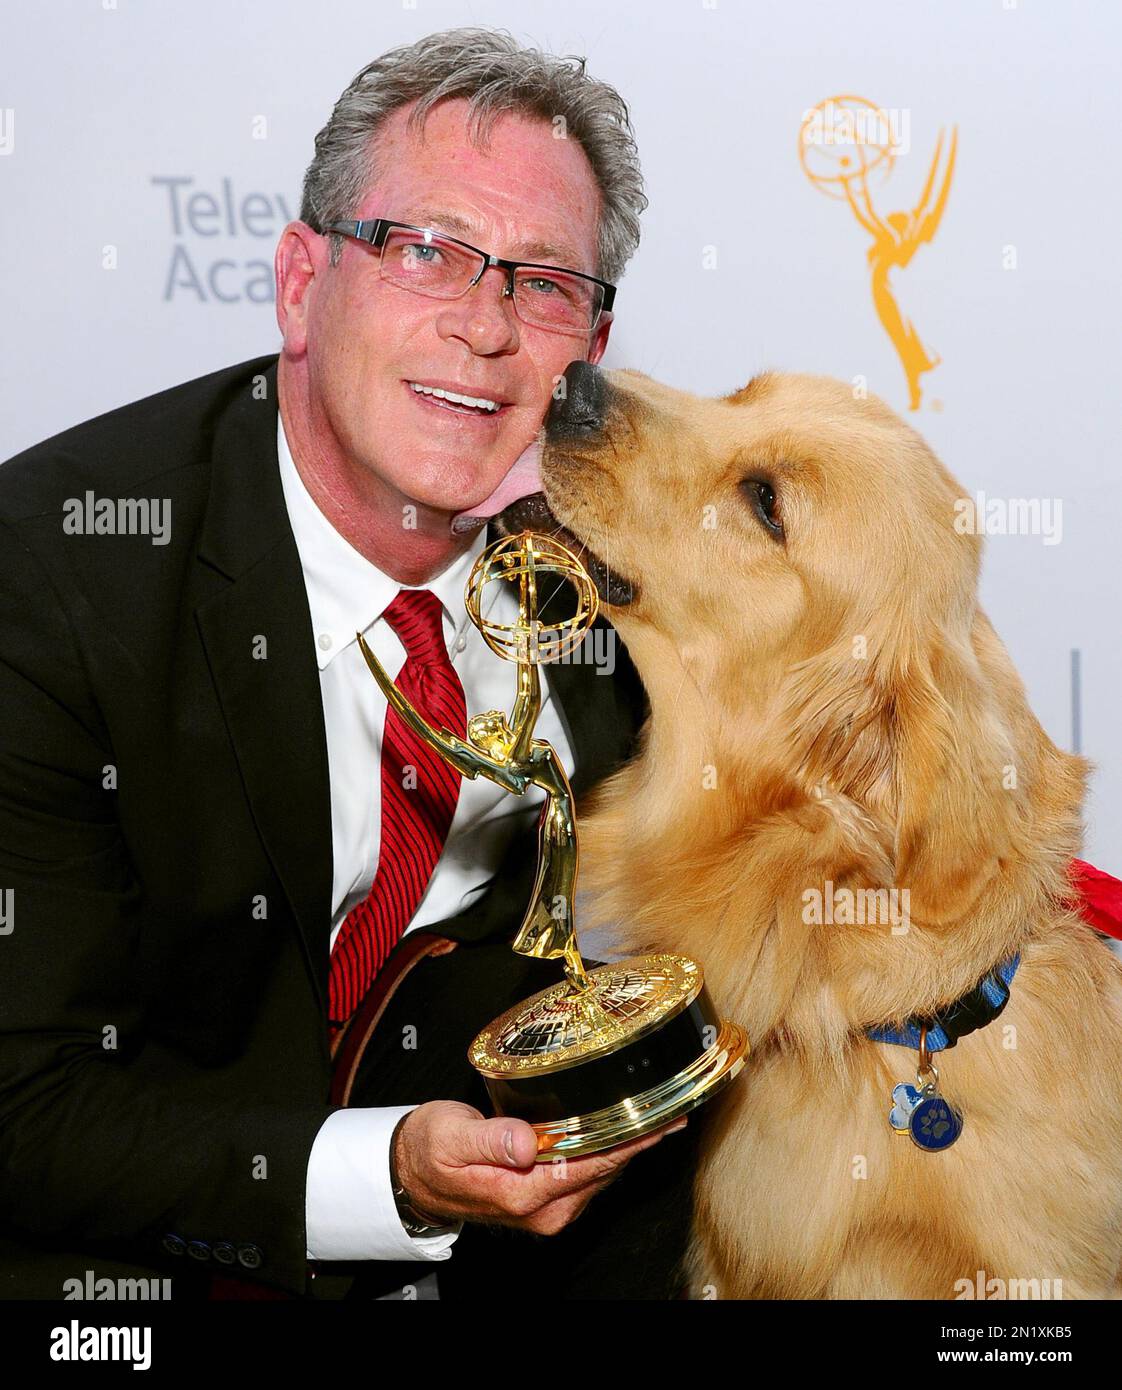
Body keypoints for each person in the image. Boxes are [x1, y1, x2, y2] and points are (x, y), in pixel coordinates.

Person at [0, 27, 698, 1301]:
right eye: (425, 250)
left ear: (591, 347)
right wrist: (384, 1179)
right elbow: (21, 1107)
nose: (484, 327)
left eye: (546, 284)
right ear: (299, 283)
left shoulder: (635, 588)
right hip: (119, 1257)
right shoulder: (52, 580)